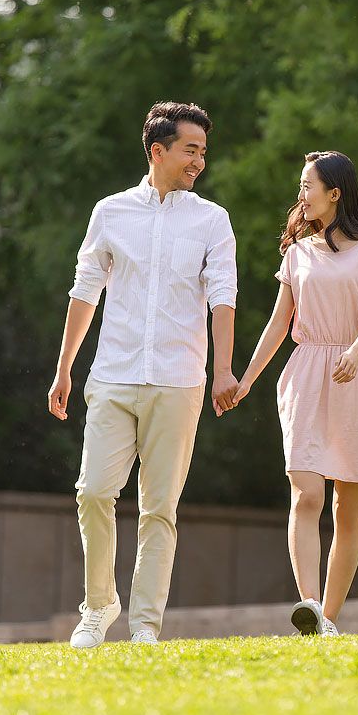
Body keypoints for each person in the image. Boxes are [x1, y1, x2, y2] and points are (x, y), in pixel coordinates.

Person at [47, 101, 239, 648]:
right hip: (112, 374)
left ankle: (145, 626)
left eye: (203, 150)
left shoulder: (212, 220)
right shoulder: (110, 212)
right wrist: (64, 368)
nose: (199, 161)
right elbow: (85, 291)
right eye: (190, 150)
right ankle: (99, 605)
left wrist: (222, 371)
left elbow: (223, 298)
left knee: (159, 508)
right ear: (158, 152)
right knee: (92, 491)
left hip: (179, 379)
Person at [233, 150, 358, 637]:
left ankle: (328, 617)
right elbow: (278, 324)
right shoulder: (297, 253)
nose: (301, 194)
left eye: (308, 186)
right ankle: (307, 605)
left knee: (349, 505)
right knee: (307, 495)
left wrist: (355, 348)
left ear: (335, 194)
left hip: (355, 374)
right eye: (301, 186)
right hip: (305, 375)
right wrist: (244, 381)